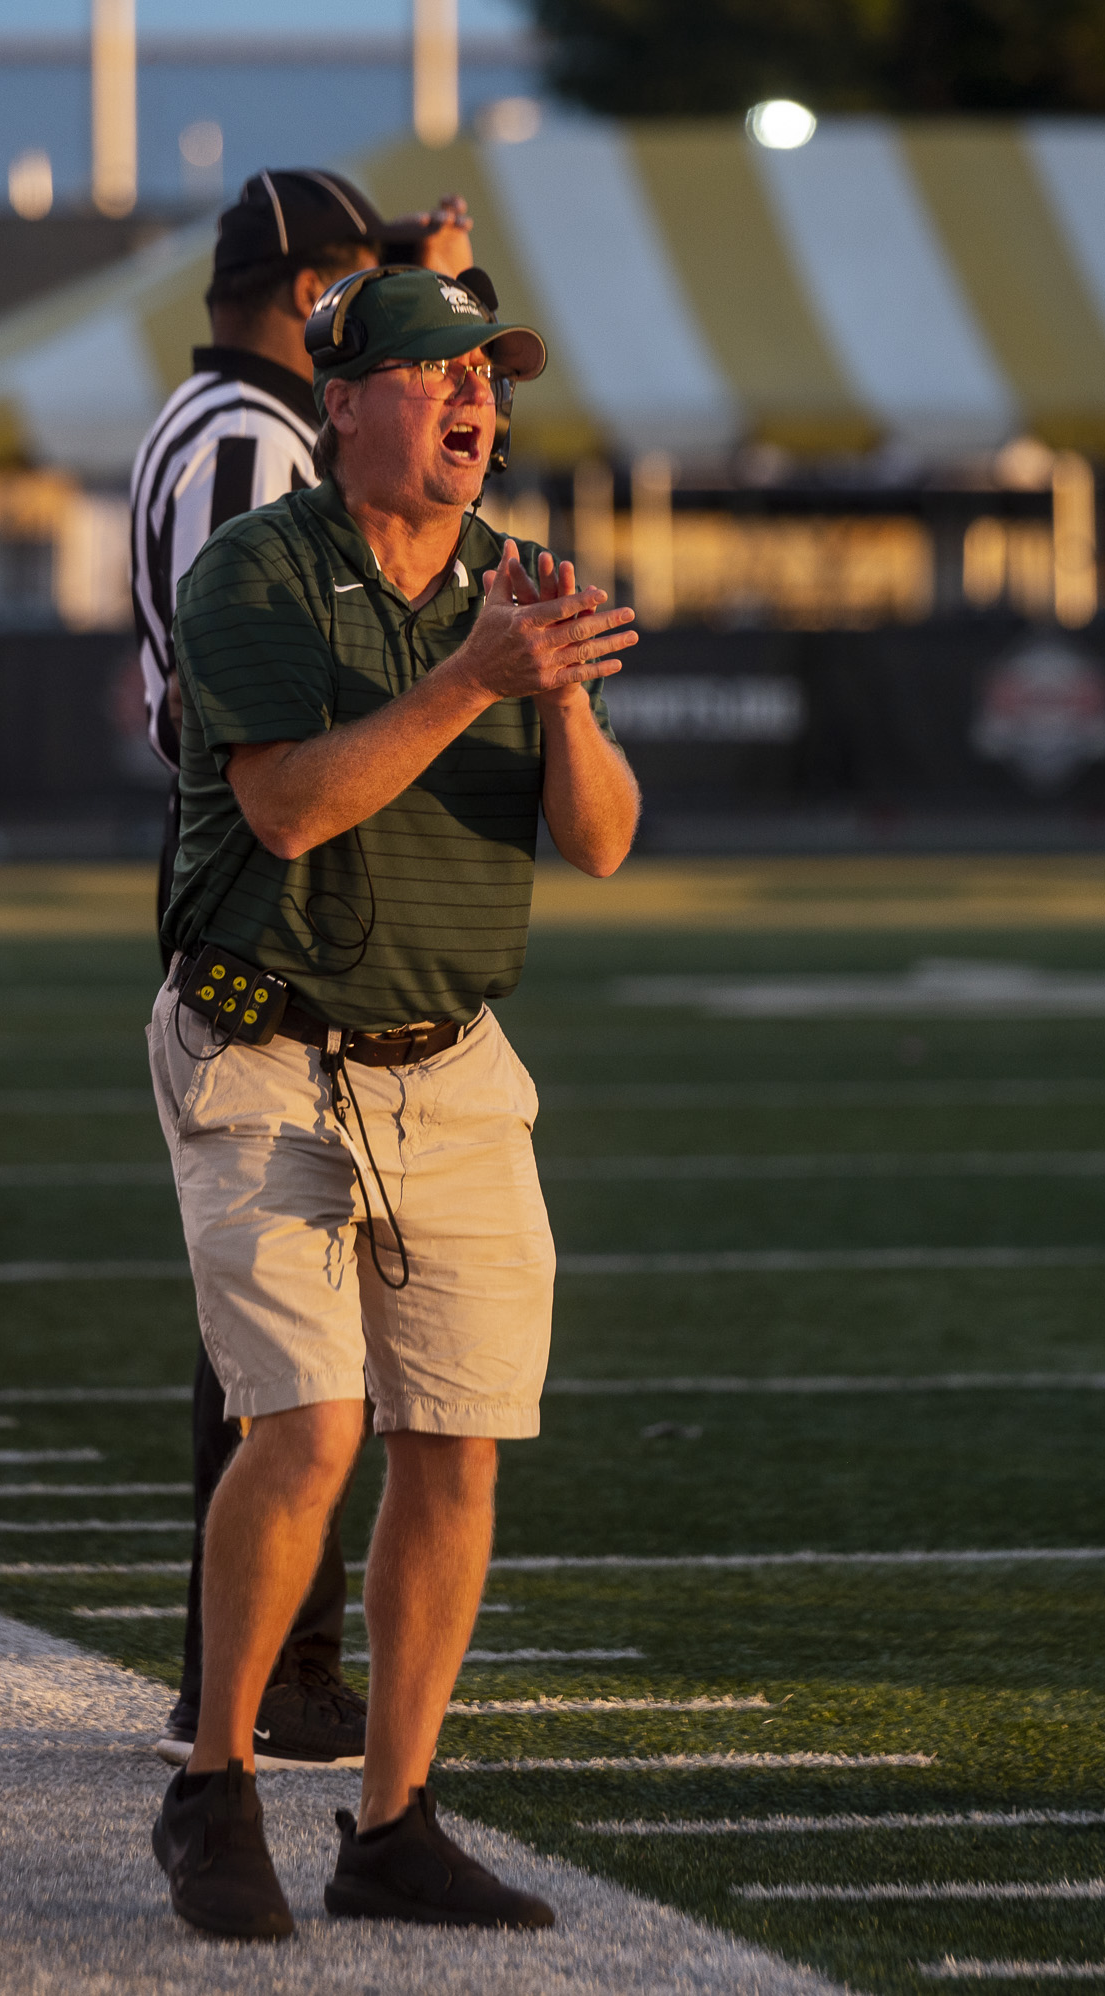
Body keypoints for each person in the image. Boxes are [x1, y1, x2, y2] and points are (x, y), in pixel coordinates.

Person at [144, 265, 641, 1940]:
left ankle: (392, 1822)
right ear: (343, 400)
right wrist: (474, 681)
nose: (474, 398)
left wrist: (555, 694)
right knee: (308, 1427)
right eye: (437, 371)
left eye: (488, 374)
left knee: (459, 1442)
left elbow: (602, 840)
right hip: (264, 1046)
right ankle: (214, 1783)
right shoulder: (254, 573)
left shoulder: (520, 586)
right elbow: (289, 810)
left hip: (453, 1058)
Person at [125, 167, 474, 1776]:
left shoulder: (210, 418)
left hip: (270, 863)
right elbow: (243, 702)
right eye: (361, 287)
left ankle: (261, 1668)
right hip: (278, 879)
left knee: (272, 1321)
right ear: (313, 298)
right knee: (277, 1333)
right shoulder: (253, 446)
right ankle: (266, 1669)